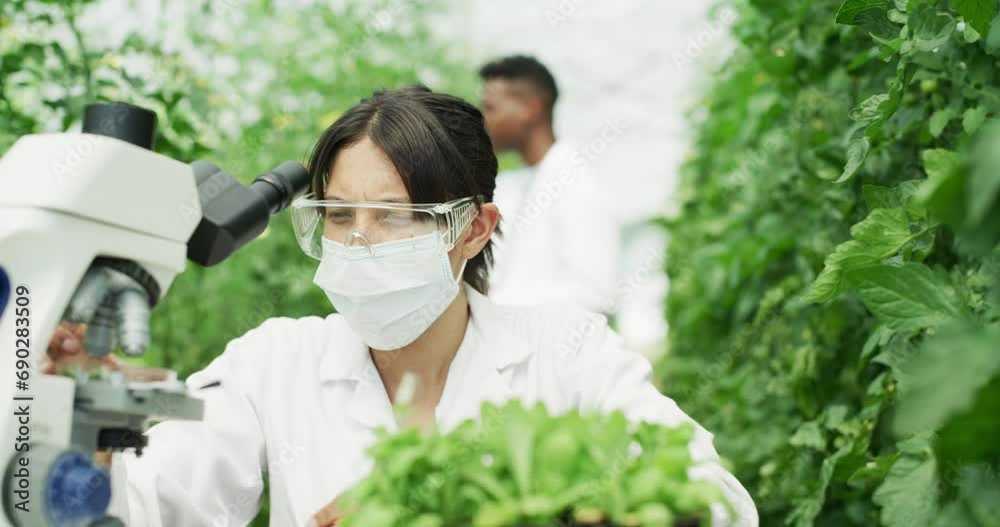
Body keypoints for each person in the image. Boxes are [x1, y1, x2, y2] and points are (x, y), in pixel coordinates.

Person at [45, 87, 757, 526]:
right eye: (338, 215)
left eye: (394, 216)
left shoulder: (565, 350)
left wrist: (473, 508)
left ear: (474, 229)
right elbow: (146, 508)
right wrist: (83, 428)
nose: (358, 241)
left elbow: (717, 501)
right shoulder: (276, 362)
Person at [479, 55, 620, 315]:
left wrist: (494, 305)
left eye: (491, 108)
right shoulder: (511, 186)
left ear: (530, 109)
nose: (483, 121)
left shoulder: (578, 185)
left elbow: (595, 294)